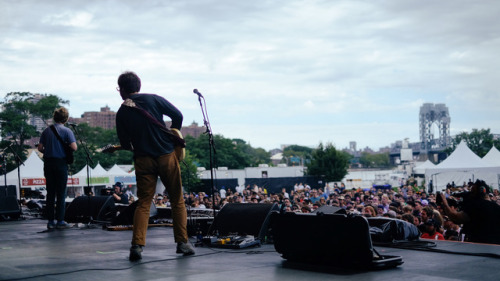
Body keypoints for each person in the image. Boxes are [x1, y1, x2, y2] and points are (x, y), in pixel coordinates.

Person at [115, 71, 194, 261]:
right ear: (138, 86)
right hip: (166, 155)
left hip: (143, 159)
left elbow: (125, 144)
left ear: (123, 90)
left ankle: (137, 246)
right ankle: (182, 243)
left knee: (143, 203)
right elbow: (177, 115)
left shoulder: (122, 112)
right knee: (177, 200)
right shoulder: (154, 99)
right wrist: (173, 133)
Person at [37, 107, 77, 230]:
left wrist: (48, 150)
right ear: (66, 118)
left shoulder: (46, 131)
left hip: (48, 163)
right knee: (61, 193)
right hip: (60, 163)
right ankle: (60, 221)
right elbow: (74, 147)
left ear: (55, 117)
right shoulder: (67, 131)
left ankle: (50, 221)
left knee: (50, 193)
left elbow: (39, 148)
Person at [439, 179, 500, 244]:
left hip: (476, 247)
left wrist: (445, 204)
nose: (470, 194)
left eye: (472, 191)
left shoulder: (475, 206)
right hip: (495, 249)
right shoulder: (497, 207)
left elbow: (455, 218)